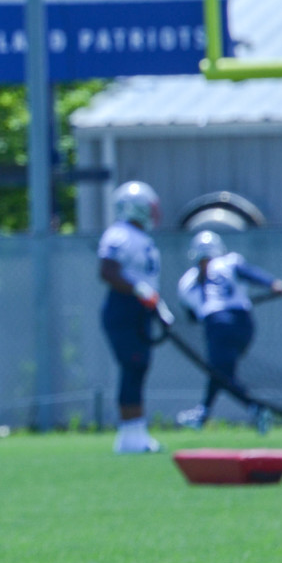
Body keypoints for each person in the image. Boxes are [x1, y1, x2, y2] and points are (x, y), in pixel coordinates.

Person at [176, 230, 282, 431]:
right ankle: (203, 413)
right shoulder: (229, 262)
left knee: (221, 373)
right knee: (221, 371)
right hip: (244, 324)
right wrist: (272, 283)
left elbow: (192, 316)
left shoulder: (186, 283)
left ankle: (256, 409)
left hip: (217, 325)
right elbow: (250, 273)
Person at [98, 180, 165, 454]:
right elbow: (107, 271)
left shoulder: (140, 237)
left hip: (139, 308)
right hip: (124, 306)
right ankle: (129, 436)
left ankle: (135, 433)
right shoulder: (119, 234)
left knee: (138, 368)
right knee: (132, 366)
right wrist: (139, 289)